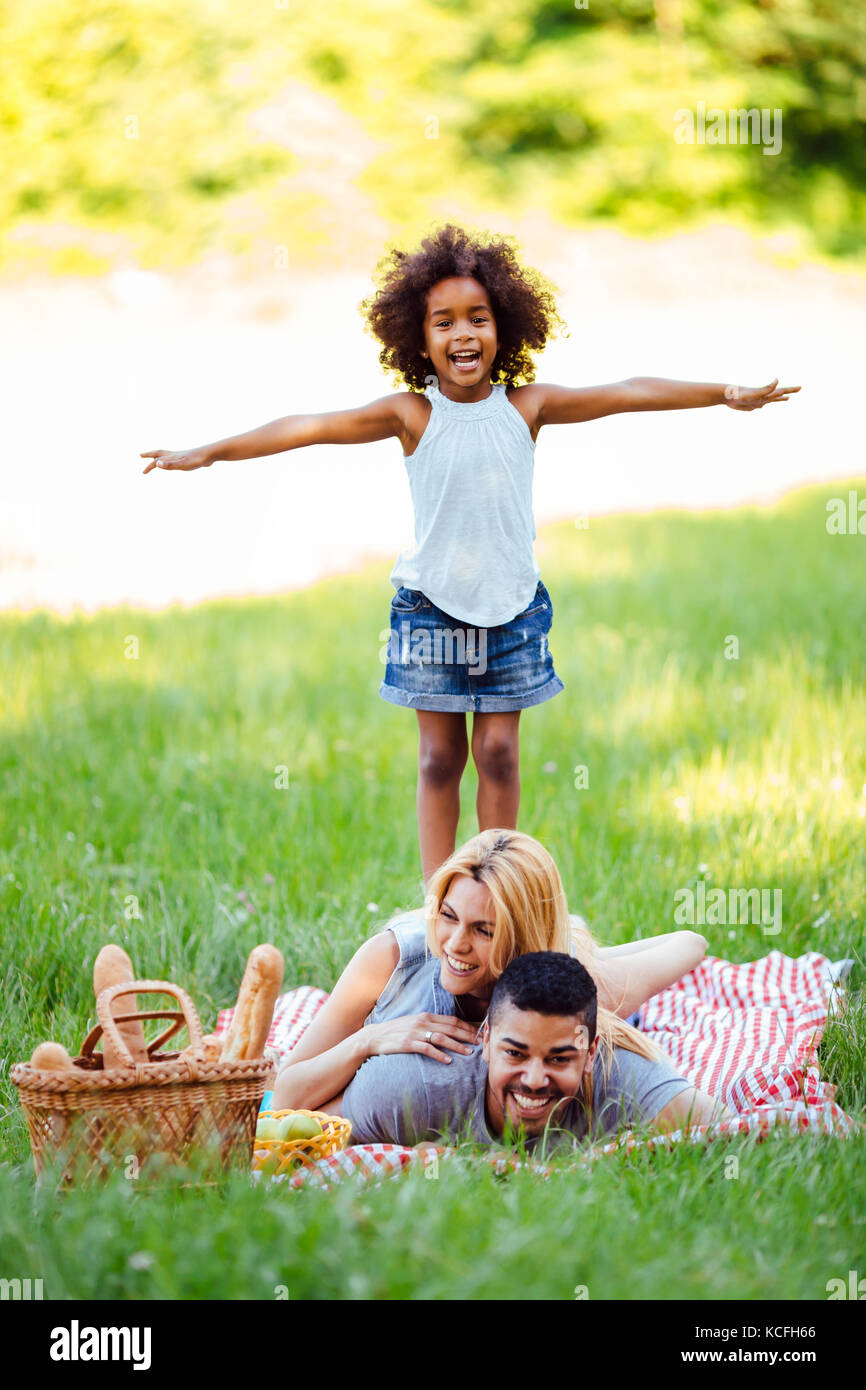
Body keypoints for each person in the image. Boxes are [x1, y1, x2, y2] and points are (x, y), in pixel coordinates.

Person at [140, 223, 799, 883]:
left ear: (502, 328)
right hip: (430, 611)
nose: (463, 336)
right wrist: (211, 451)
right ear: (418, 339)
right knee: (438, 760)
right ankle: (441, 900)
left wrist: (722, 393)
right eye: (444, 322)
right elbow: (308, 427)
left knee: (501, 752)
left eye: (478, 319)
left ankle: (496, 891)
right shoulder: (410, 415)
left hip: (512, 611)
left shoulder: (528, 406)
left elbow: (627, 392)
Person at [271, 828, 707, 1113]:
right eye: (447, 915)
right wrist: (368, 1041)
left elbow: (690, 943)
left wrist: (582, 954)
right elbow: (284, 1096)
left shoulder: (565, 988)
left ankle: (572, 935)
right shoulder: (391, 960)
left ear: (520, 938)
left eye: (483, 930)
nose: (456, 944)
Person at [330, 951, 729, 1151]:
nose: (535, 1081)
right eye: (515, 1054)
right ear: (484, 1042)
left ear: (589, 1055)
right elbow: (300, 1129)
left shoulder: (624, 1078)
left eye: (559, 1058)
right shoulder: (409, 1088)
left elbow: (733, 1135)